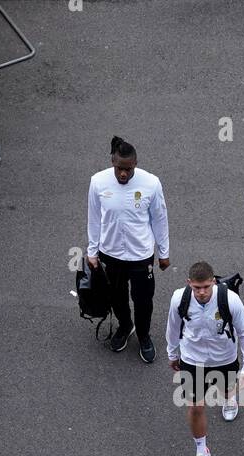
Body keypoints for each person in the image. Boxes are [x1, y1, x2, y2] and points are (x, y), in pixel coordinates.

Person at [165, 261, 244, 456]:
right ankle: (202, 453)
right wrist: (172, 354)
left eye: (206, 286)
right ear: (189, 284)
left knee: (226, 389)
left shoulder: (230, 300)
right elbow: (173, 327)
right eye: (197, 287)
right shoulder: (179, 299)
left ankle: (229, 399)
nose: (202, 292)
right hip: (192, 360)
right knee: (195, 407)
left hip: (224, 358)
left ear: (213, 282)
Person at [87, 135, 170, 361]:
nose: (123, 174)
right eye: (119, 168)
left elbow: (159, 219)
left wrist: (164, 253)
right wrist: (92, 251)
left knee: (143, 300)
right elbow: (94, 218)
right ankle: (126, 326)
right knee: (117, 297)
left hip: (141, 255)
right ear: (113, 162)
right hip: (110, 253)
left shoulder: (151, 183)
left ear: (135, 164)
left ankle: (143, 336)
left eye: (128, 169)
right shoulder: (98, 182)